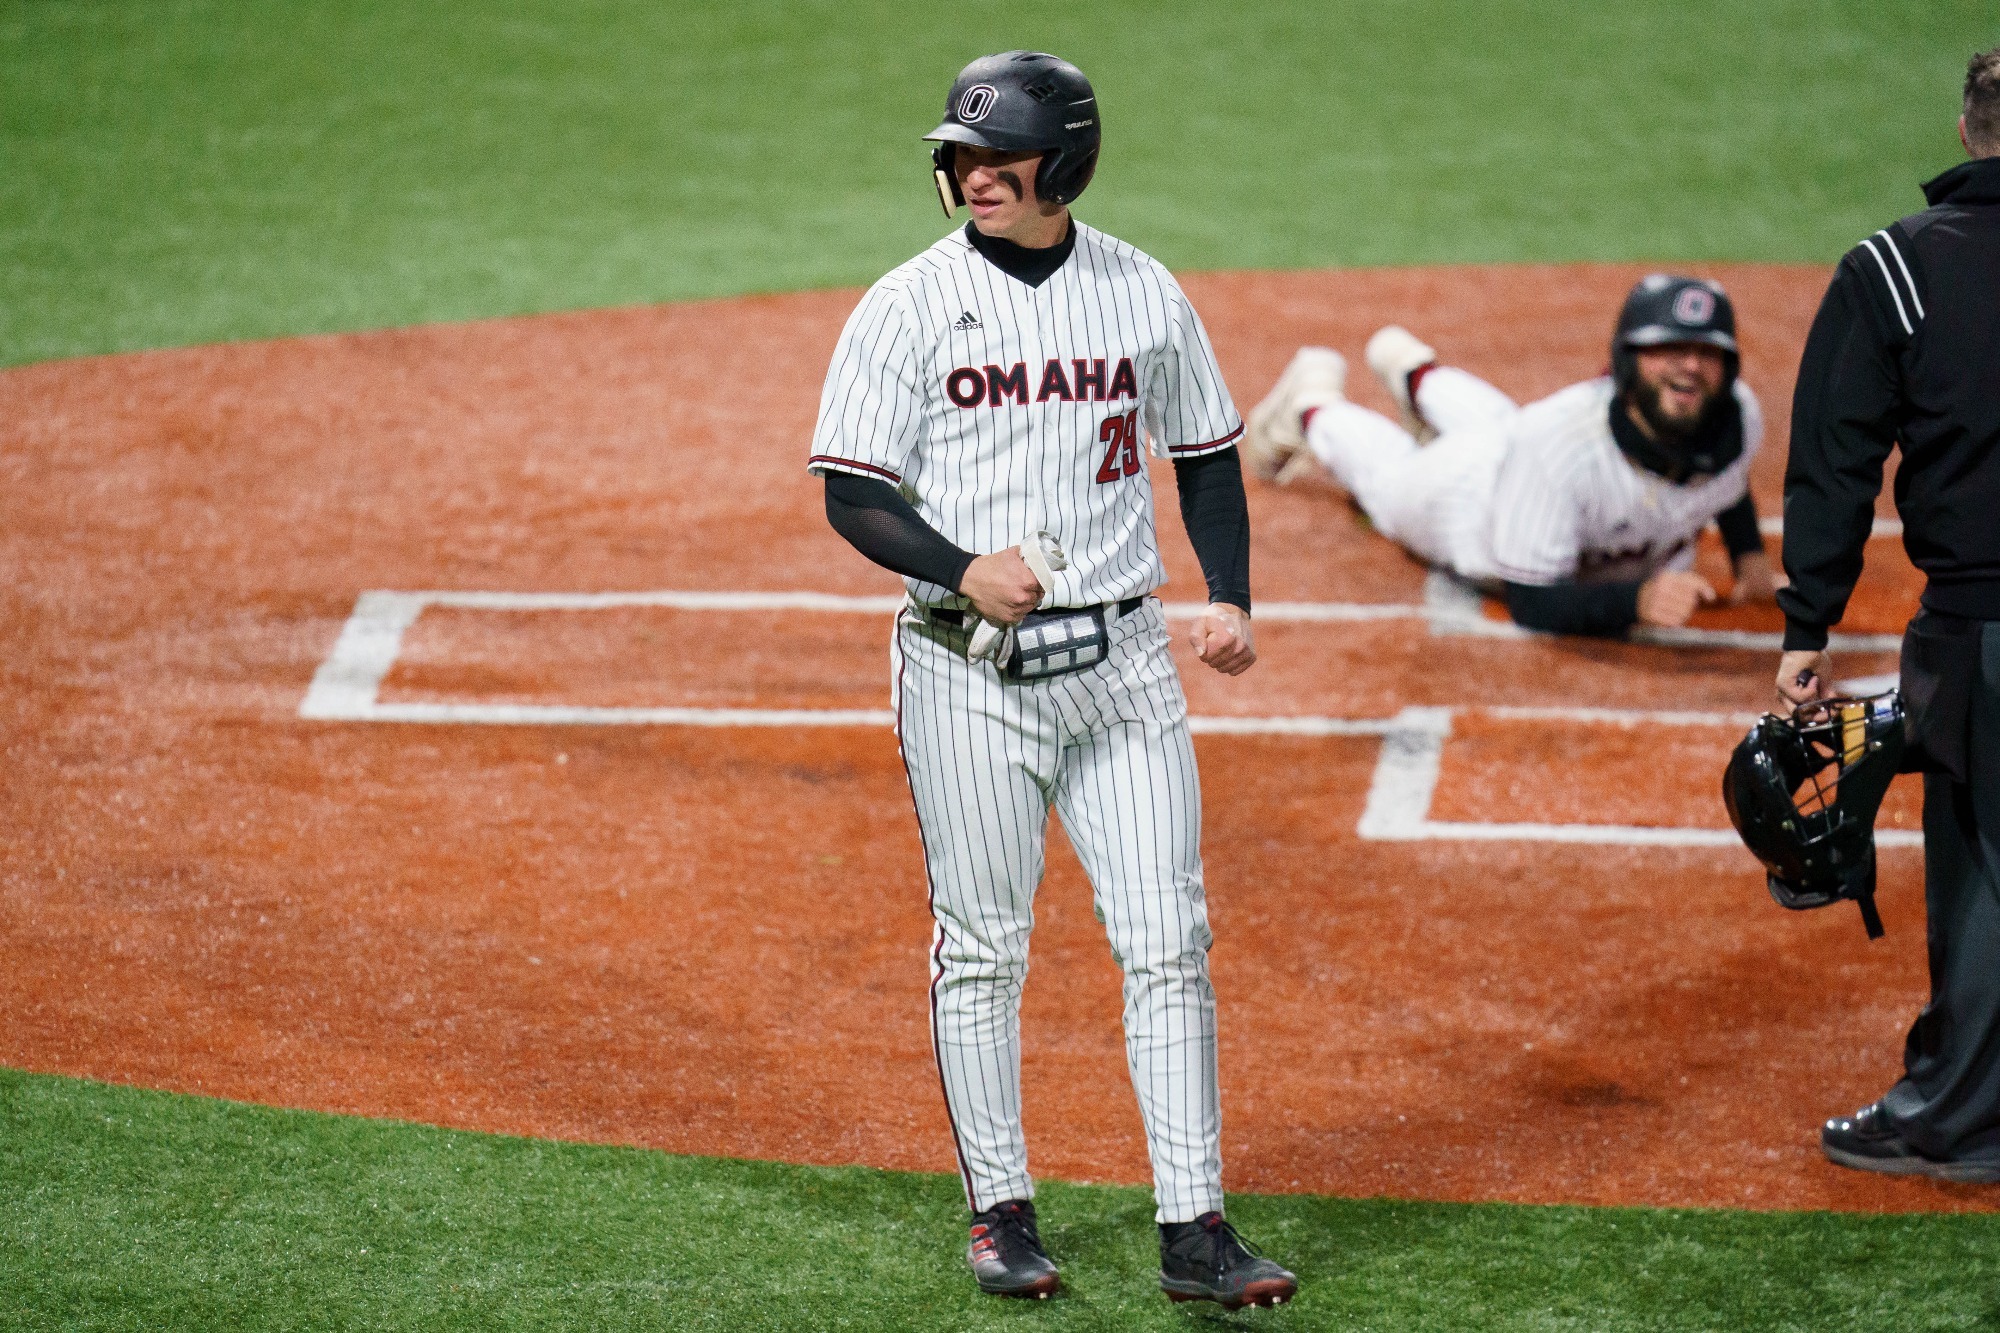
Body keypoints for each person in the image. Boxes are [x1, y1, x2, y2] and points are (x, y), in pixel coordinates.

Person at [807, 51, 1297, 1308]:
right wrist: (962, 566)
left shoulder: (1140, 290)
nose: (972, 175)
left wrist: (1229, 594)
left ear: (1062, 162)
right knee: (982, 949)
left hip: (1125, 667)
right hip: (966, 675)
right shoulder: (908, 306)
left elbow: (1206, 454)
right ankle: (1000, 1212)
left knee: (1168, 941)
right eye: (961, 155)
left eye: (998, 156)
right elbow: (852, 492)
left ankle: (1195, 1229)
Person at [1776, 48, 2000, 1183]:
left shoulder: (1898, 269)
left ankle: (1958, 1119)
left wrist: (1805, 627)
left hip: (1981, 630)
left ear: (1965, 129)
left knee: (1982, 863)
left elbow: (1834, 460)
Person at [1245, 275, 1785, 635]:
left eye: (1708, 352)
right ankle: (1312, 405)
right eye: (1669, 348)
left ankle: (1418, 375)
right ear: (1628, 360)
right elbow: (1532, 602)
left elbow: (1726, 479)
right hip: (1468, 503)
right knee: (1388, 484)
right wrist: (1636, 601)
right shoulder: (1561, 447)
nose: (1691, 366)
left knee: (1507, 426)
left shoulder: (1736, 418)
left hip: (1523, 455)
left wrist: (1750, 560)